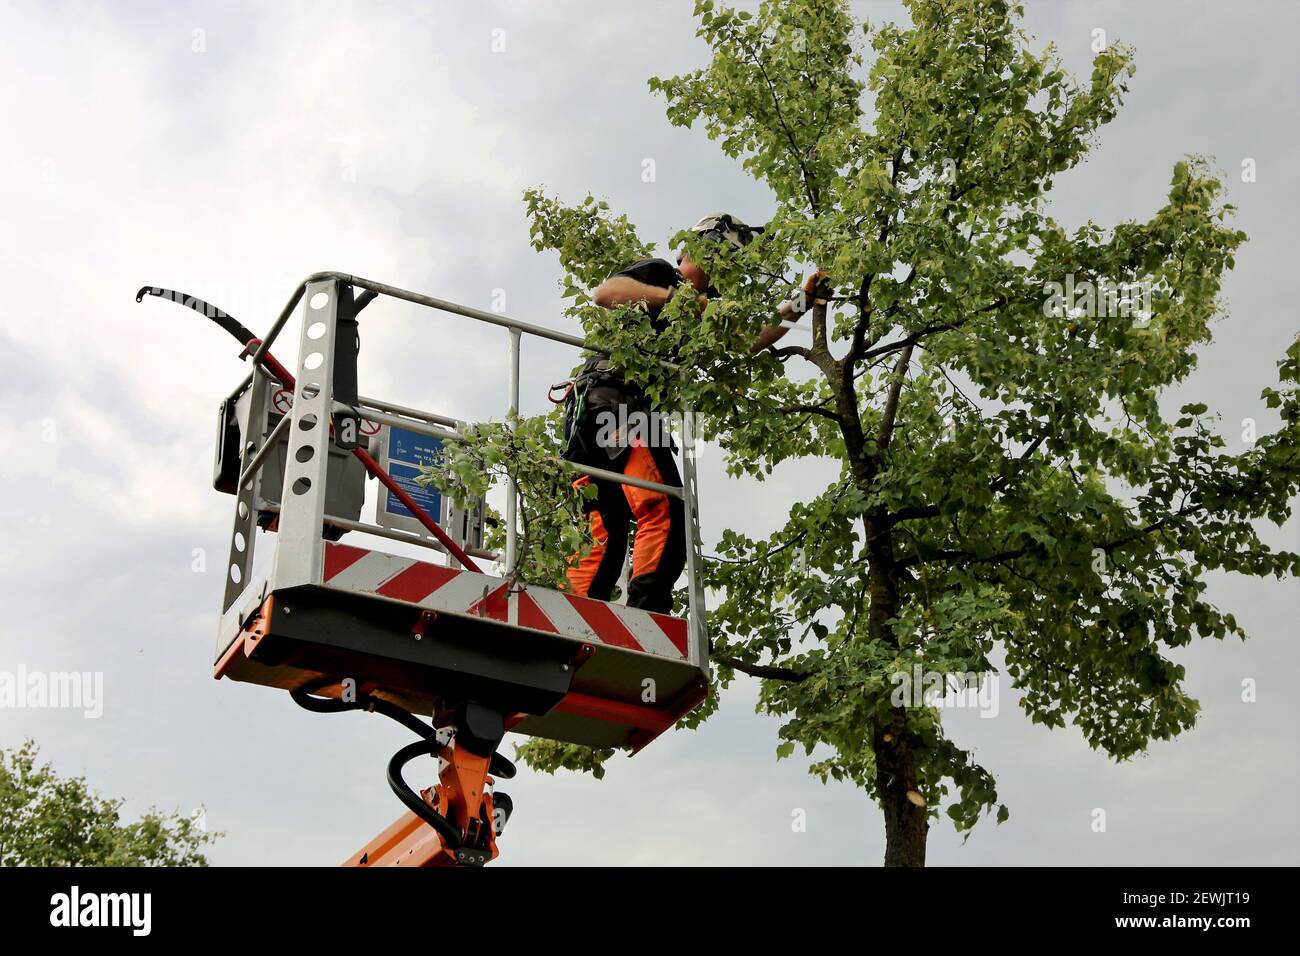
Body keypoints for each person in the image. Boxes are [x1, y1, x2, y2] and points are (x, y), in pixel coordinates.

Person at [557, 213, 826, 614]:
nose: (722, 270)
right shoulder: (662, 273)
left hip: (595, 417)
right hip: (614, 404)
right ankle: (648, 617)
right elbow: (606, 293)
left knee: (605, 528)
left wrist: (802, 302)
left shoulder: (704, 313)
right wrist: (677, 299)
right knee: (664, 507)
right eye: (720, 258)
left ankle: (568, 617)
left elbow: (747, 340)